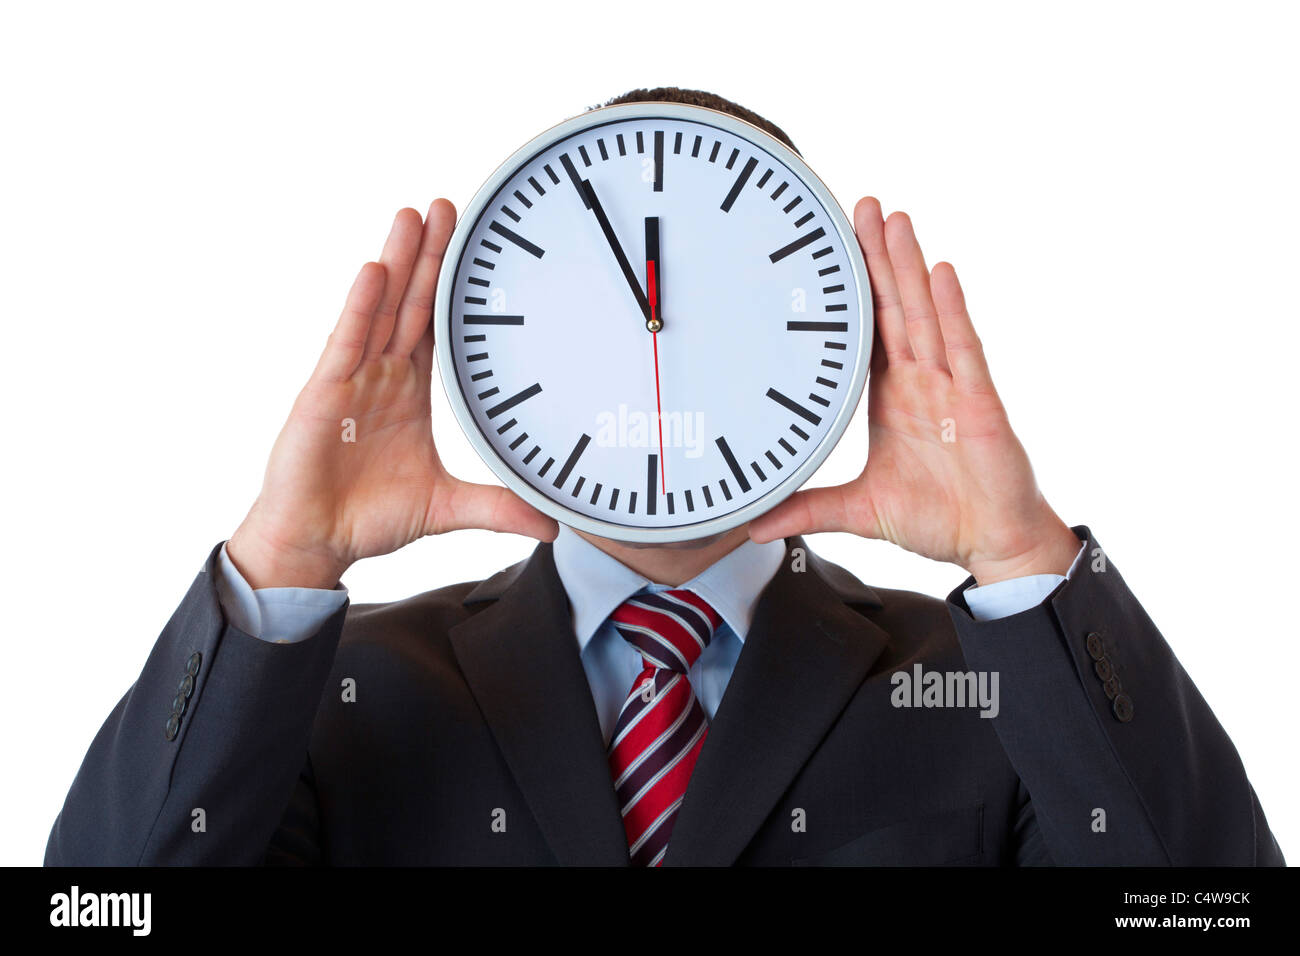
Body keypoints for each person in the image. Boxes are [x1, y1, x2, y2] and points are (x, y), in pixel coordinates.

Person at [45, 88, 1283, 866]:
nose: (665, 336)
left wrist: (1020, 560)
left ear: (850, 347)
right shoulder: (339, 683)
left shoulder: (985, 686)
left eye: (738, 297)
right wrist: (282, 564)